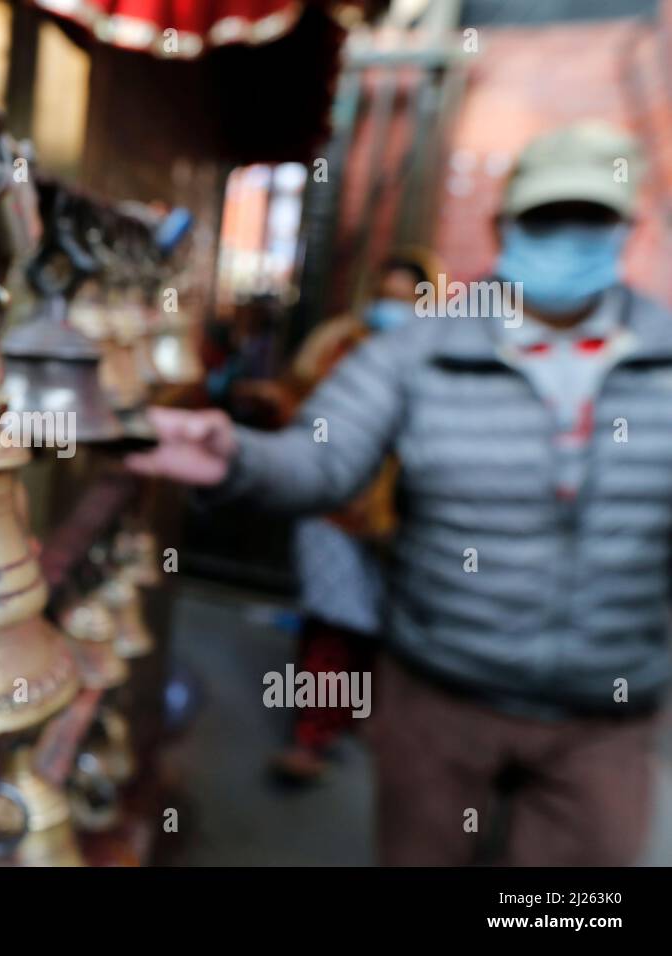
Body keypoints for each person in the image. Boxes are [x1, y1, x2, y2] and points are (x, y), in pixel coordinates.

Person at [128, 121, 667, 866]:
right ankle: (320, 734)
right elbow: (325, 458)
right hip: (442, 690)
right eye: (548, 218)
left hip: (604, 713)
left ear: (627, 229)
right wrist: (238, 456)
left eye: (592, 218)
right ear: (504, 225)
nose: (568, 236)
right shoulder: (421, 348)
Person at [258, 250, 439, 785]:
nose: (394, 307)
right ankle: (312, 736)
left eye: (406, 299)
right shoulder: (336, 348)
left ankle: (353, 721)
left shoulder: (434, 357)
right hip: (332, 513)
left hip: (400, 518)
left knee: (377, 630)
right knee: (333, 625)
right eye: (386, 297)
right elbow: (301, 407)